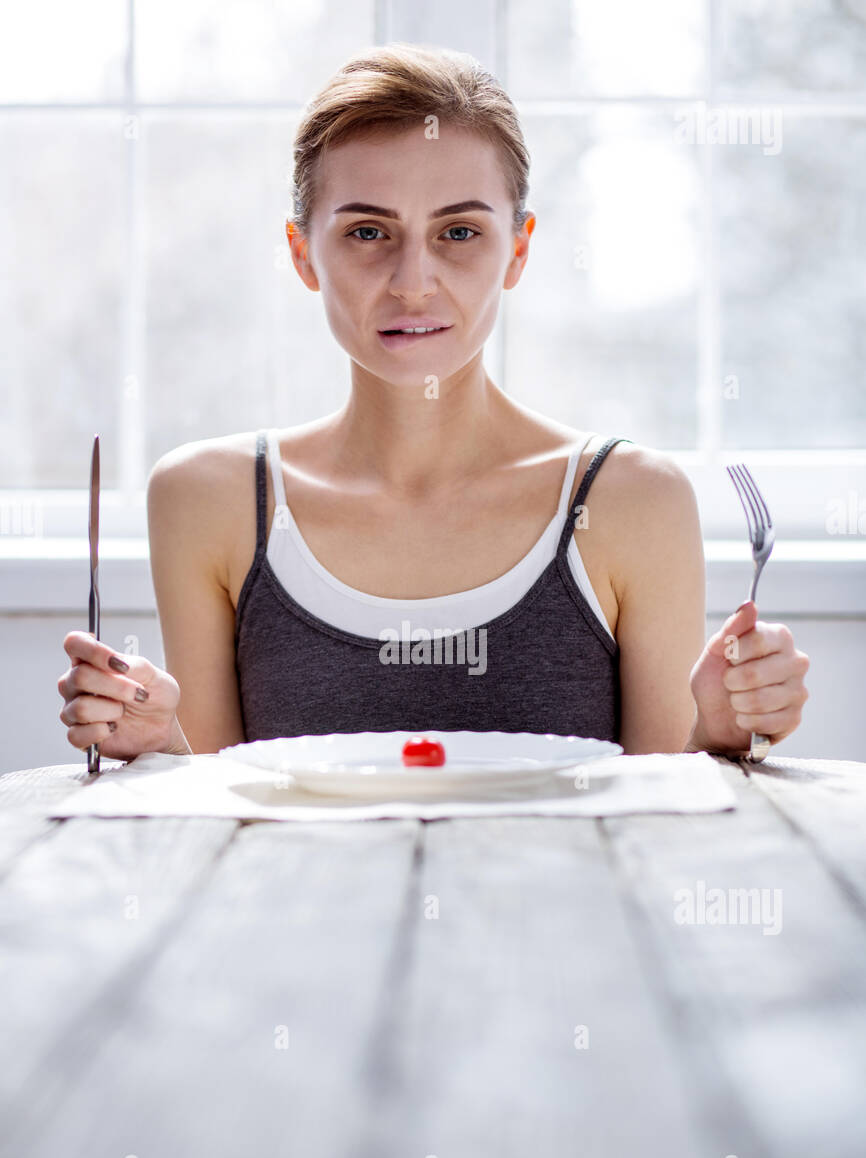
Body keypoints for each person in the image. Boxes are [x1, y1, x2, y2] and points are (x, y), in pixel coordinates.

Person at [57, 42, 809, 762]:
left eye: (458, 231)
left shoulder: (635, 500)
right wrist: (160, 747)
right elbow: (218, 818)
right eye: (366, 231)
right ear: (301, 253)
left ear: (517, 250)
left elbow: (662, 828)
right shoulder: (206, 499)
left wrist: (718, 738)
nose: (413, 280)